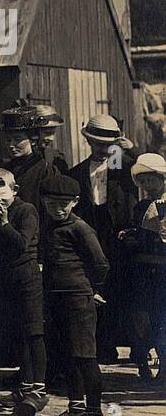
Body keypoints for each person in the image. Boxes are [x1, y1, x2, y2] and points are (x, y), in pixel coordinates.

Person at [38, 172, 111, 416]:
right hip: (55, 299)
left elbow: (101, 264)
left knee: (84, 356)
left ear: (75, 202)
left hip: (78, 299)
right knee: (68, 356)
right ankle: (76, 408)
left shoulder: (80, 227)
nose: (57, 209)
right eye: (51, 204)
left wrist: (93, 290)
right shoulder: (47, 226)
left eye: (63, 204)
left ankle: (94, 413)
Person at [69, 114, 140, 363]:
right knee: (95, 290)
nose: (102, 148)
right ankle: (103, 346)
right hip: (92, 234)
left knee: (122, 290)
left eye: (107, 144)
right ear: (88, 141)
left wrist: (132, 149)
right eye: (97, 143)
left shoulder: (123, 167)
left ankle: (134, 346)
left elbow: (145, 167)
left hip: (118, 236)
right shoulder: (77, 172)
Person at [0, 169, 48, 416]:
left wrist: (5, 223)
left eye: (0, 188)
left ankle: (39, 390)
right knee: (17, 333)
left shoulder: (26, 210)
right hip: (4, 280)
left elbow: (21, 244)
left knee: (33, 333)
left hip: (26, 279)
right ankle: (24, 386)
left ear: (14, 190)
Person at [122, 153, 166, 382]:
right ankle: (141, 360)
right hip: (142, 270)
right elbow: (136, 231)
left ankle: (163, 363)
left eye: (153, 180)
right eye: (144, 181)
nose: (149, 186)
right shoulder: (141, 207)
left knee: (161, 317)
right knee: (141, 317)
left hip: (162, 270)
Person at [0, 103, 55, 210]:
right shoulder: (4, 168)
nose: (11, 145)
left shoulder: (45, 170)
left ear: (33, 140)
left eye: (18, 139)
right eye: (8, 140)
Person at [30, 104, 70, 173]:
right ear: (34, 132)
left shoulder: (56, 158)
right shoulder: (21, 158)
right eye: (47, 133)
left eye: (53, 133)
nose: (52, 138)